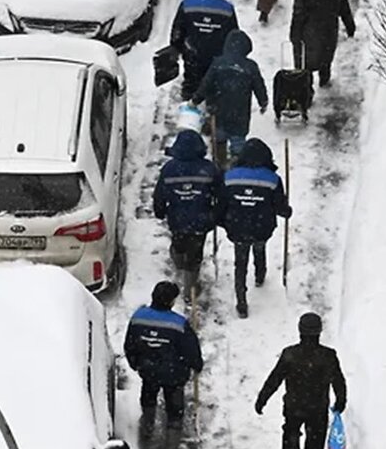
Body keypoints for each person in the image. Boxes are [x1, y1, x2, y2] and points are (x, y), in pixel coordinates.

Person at [255, 313, 347, 449]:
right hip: (318, 409)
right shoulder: (328, 356)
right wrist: (340, 400)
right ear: (319, 331)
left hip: (294, 406)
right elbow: (339, 381)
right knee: (315, 442)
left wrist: (262, 399)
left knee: (291, 437)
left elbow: (274, 379)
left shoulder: (290, 355)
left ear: (300, 330)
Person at [218, 138, 291, 318]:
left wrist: (222, 222)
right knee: (260, 248)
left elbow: (221, 204)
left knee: (240, 262)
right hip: (262, 227)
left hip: (237, 226)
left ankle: (241, 300)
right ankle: (260, 274)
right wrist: (286, 211)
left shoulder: (229, 177)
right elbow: (279, 206)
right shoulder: (273, 179)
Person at [124, 281, 204, 431]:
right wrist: (196, 365)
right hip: (174, 374)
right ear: (171, 301)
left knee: (148, 395)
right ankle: (173, 429)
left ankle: (148, 422)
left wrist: (135, 363)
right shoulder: (179, 324)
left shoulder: (138, 317)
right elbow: (190, 350)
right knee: (174, 403)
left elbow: (130, 344)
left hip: (148, 370)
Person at [153, 129, 223, 295]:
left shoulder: (169, 169)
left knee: (179, 244)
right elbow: (220, 194)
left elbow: (160, 194)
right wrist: (216, 214)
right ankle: (190, 286)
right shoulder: (209, 169)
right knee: (195, 253)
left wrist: (160, 211)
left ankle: (178, 259)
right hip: (201, 219)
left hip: (177, 219)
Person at [192, 29, 268, 167]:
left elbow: (206, 84)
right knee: (238, 141)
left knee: (219, 140)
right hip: (240, 114)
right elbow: (259, 85)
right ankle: (236, 167)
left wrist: (196, 99)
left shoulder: (218, 63)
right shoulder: (250, 66)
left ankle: (220, 166)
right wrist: (263, 102)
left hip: (219, 111)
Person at [170, 0, 239, 101]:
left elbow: (178, 30)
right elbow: (234, 35)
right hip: (216, 57)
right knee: (214, 88)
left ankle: (190, 110)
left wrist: (176, 48)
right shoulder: (227, 8)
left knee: (191, 85)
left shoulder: (187, 4)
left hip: (193, 55)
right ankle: (211, 113)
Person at [289, 0, 356, 87]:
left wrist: (295, 33)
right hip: (329, 29)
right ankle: (324, 78)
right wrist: (350, 27)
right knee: (326, 56)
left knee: (305, 63)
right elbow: (344, 9)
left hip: (308, 32)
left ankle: (307, 89)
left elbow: (298, 13)